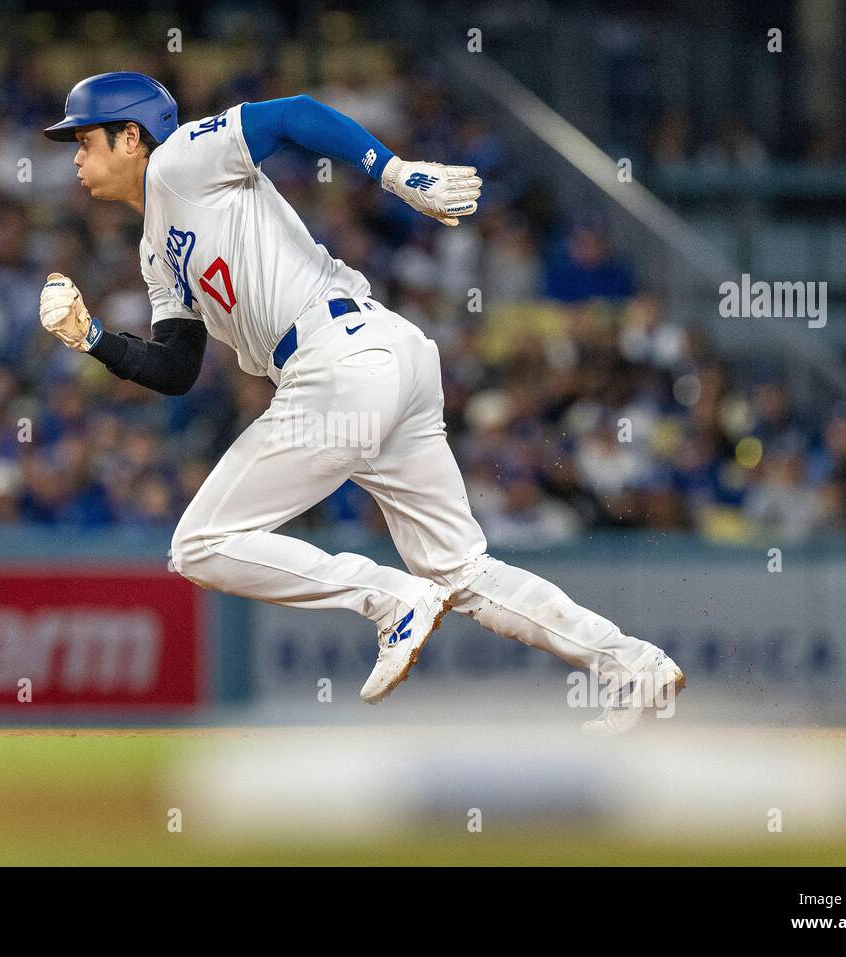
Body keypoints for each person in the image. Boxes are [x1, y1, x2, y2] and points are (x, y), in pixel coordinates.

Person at [37, 72, 683, 733]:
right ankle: (633, 664)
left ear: (131, 136)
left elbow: (290, 113)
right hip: (377, 357)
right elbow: (177, 366)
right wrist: (93, 339)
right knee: (460, 570)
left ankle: (390, 598)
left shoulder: (178, 161)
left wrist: (393, 170)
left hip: (338, 359)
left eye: (84, 140)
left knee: (201, 544)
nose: (77, 158)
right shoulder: (154, 248)